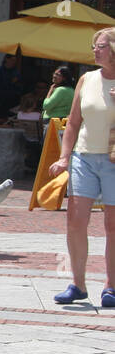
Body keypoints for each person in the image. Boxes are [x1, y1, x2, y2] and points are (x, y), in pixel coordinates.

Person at [48, 27, 115, 306]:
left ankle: (111, 286)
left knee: (112, 225)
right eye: (94, 46)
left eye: (99, 46)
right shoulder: (87, 79)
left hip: (113, 160)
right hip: (84, 157)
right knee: (75, 221)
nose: (94, 50)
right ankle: (78, 284)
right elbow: (73, 122)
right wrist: (64, 157)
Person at [0, 53, 24, 120]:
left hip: (13, 100)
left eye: (15, 60)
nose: (14, 62)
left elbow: (19, 84)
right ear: (6, 59)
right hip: (1, 99)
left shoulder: (16, 72)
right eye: (12, 60)